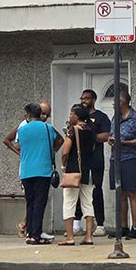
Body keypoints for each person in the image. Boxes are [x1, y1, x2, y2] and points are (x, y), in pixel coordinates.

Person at [4, 100, 62, 239]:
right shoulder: (48, 128)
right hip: (43, 170)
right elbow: (60, 139)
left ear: (29, 116)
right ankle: (36, 233)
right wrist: (52, 151)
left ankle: (30, 232)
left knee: (30, 202)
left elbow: (17, 144)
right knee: (39, 203)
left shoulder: (22, 129)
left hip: (26, 170)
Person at [108, 86, 136, 240]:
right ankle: (123, 227)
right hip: (116, 158)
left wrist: (125, 142)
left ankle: (135, 227)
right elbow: (112, 135)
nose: (113, 104)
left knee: (132, 192)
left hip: (131, 159)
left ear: (123, 101)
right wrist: (111, 140)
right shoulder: (115, 118)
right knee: (120, 192)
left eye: (115, 101)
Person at [74, 89, 110, 236]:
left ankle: (100, 224)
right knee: (77, 188)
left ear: (94, 100)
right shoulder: (77, 116)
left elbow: (107, 135)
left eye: (87, 98)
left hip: (96, 159)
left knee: (96, 189)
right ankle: (76, 224)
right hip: (79, 159)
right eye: (82, 98)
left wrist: (91, 137)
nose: (84, 101)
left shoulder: (101, 117)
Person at [59, 104, 96, 246]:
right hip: (87, 170)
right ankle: (88, 236)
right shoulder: (91, 129)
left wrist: (63, 164)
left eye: (71, 114)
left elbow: (65, 151)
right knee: (88, 202)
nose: (69, 116)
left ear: (77, 116)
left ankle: (69, 237)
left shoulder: (72, 130)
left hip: (73, 170)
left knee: (69, 202)